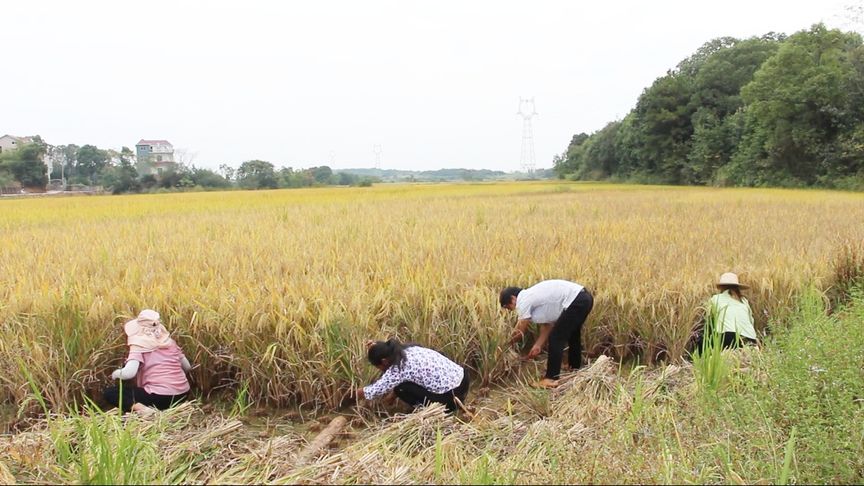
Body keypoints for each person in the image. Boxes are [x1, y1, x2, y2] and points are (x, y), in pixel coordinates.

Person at [500, 279, 594, 388]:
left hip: (576, 300)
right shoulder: (533, 297)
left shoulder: (523, 299)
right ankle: (574, 367)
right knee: (572, 333)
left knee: (556, 337)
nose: (511, 310)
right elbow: (548, 325)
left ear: (513, 299)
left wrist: (506, 344)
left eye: (508, 307)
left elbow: (520, 330)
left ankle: (551, 379)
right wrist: (538, 345)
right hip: (584, 298)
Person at [103, 309, 193, 415]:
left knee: (111, 393)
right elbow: (187, 367)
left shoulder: (139, 345)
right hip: (183, 394)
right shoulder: (171, 343)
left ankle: (143, 410)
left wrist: (115, 374)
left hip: (160, 397)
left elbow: (129, 373)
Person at [356, 338, 470, 414]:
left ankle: (434, 410)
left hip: (452, 396)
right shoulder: (409, 349)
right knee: (404, 383)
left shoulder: (398, 368)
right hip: (463, 378)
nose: (380, 370)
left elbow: (373, 391)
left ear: (384, 361)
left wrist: (350, 395)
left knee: (401, 388)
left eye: (378, 366)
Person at [704, 272, 758, 349]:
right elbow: (751, 321)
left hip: (728, 338)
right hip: (750, 338)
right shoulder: (744, 301)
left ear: (721, 287)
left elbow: (708, 319)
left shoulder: (715, 299)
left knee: (703, 339)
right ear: (737, 287)